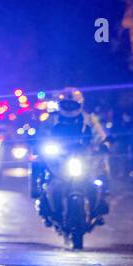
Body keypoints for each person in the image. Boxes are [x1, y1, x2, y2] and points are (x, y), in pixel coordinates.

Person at [37, 87, 110, 218]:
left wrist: (103, 144)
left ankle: (101, 203)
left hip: (84, 157)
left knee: (98, 177)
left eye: (72, 105)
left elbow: (99, 135)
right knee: (47, 179)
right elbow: (41, 135)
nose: (69, 108)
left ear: (80, 105)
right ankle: (45, 205)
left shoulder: (89, 119)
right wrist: (39, 145)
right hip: (59, 158)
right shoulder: (51, 120)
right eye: (66, 104)